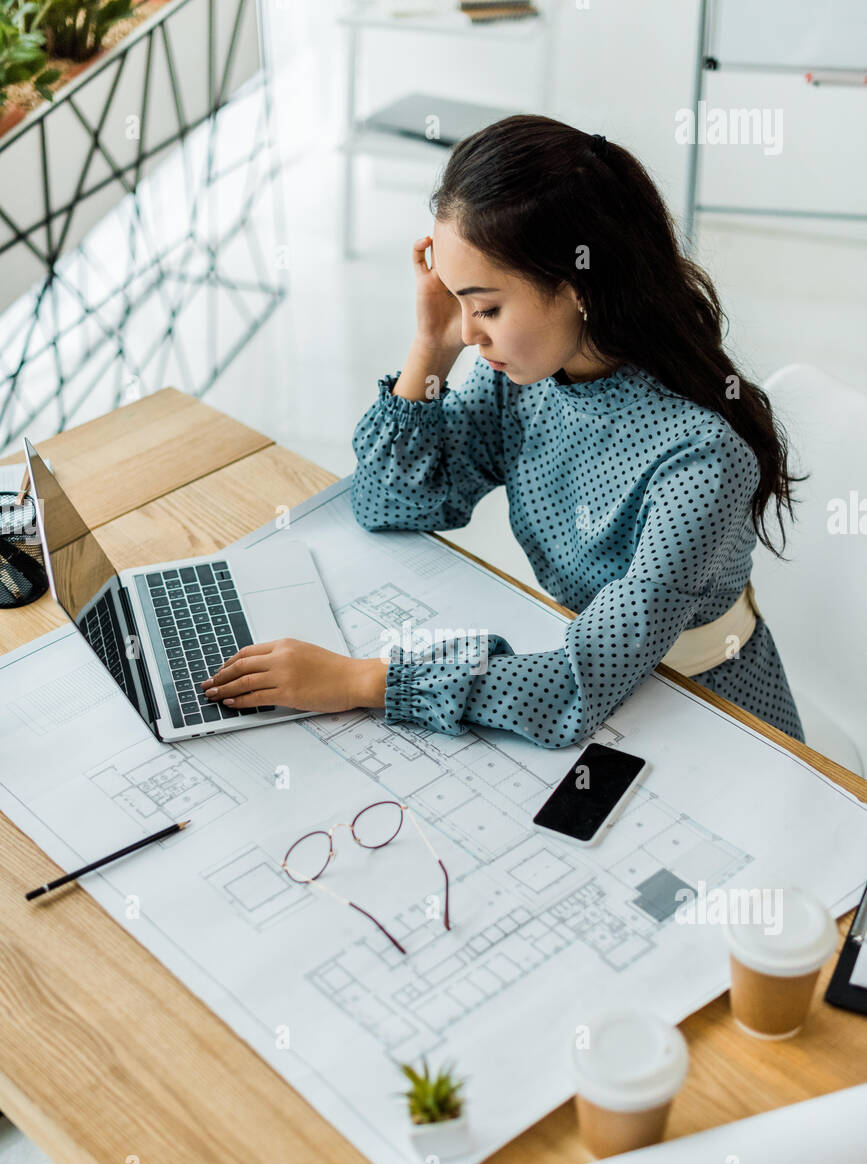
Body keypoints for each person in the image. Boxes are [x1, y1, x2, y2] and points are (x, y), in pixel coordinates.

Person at [203, 116, 805, 750]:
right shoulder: (524, 378)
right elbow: (388, 502)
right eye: (458, 300)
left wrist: (362, 681)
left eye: (486, 307)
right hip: (588, 680)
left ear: (579, 292)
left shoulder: (702, 459)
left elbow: (579, 683)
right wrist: (429, 346)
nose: (470, 332)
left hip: (707, 712)